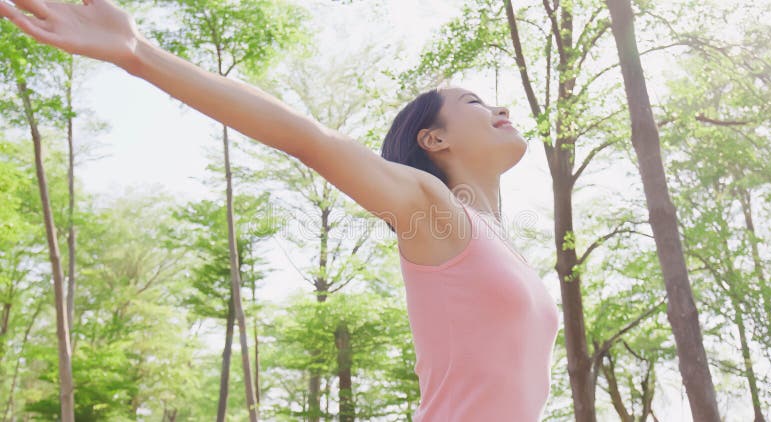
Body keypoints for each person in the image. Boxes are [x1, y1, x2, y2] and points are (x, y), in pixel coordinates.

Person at [0, 1, 560, 420]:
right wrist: (136, 52)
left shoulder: (499, 242)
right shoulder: (433, 209)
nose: (499, 106)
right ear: (432, 139)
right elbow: (309, 139)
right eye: (474, 102)